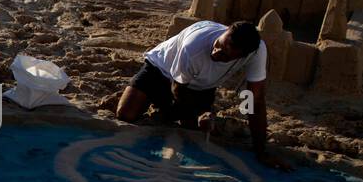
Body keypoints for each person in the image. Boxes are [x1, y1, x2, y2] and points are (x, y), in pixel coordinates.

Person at [116, 19, 275, 164]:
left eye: (225, 56)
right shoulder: (193, 46)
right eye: (219, 44)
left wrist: (261, 151)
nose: (215, 53)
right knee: (126, 114)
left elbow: (255, 100)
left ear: (242, 57)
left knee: (197, 131)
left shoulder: (257, 52)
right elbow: (178, 89)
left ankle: (164, 108)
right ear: (226, 31)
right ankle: (155, 101)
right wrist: (197, 113)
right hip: (161, 69)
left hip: (203, 86)